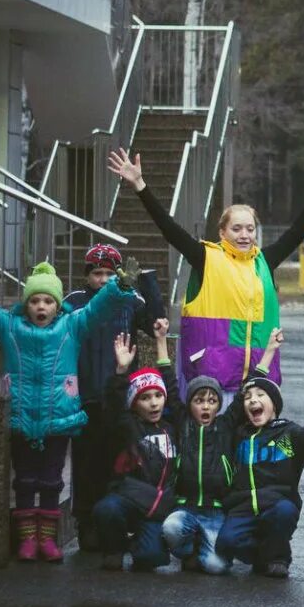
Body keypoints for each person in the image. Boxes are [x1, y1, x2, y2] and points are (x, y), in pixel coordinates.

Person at [107, 146, 304, 392]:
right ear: (222, 232)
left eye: (249, 229)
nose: (244, 235)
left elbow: (299, 229)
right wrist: (140, 186)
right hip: (212, 386)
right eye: (236, 229)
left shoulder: (264, 261)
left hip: (259, 383)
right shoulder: (206, 257)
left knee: (282, 436)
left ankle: (282, 436)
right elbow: (168, 228)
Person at [0, 251, 138, 563]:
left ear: (57, 304)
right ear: (26, 304)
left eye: (48, 301)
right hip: (21, 418)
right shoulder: (9, 326)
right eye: (35, 301)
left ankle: (48, 539)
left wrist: (119, 287)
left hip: (58, 420)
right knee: (24, 480)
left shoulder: (71, 326)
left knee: (52, 480)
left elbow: (98, 308)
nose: (41, 307)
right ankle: (27, 539)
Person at [63, 243, 166, 550]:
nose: (104, 280)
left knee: (119, 461)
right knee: (86, 463)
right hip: (86, 396)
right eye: (97, 273)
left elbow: (155, 323)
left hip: (120, 398)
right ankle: (87, 522)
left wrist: (146, 280)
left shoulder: (131, 300)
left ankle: (118, 521)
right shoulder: (75, 302)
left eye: (110, 273)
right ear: (87, 276)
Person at [215, 349, 304, 578]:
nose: (253, 400)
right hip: (242, 508)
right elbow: (234, 407)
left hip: (276, 504)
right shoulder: (239, 436)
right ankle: (263, 555)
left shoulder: (284, 436)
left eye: (260, 395)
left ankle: (278, 557)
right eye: (248, 397)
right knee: (226, 543)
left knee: (284, 512)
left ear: (274, 404)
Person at [155, 319, 237, 575]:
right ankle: (189, 549)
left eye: (212, 401)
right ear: (190, 404)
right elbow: (169, 380)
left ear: (218, 406)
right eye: (199, 400)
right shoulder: (182, 422)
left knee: (217, 567)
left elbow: (246, 392)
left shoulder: (225, 426)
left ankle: (204, 547)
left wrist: (268, 352)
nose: (205, 406)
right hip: (185, 507)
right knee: (170, 529)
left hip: (215, 512)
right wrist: (160, 340)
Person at [93, 332, 178, 572]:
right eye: (145, 398)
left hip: (156, 506)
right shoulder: (127, 426)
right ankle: (114, 548)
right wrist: (121, 372)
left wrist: (162, 345)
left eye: (158, 396)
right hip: (129, 498)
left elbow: (172, 387)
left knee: (151, 558)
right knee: (107, 509)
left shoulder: (174, 428)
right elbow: (112, 408)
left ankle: (138, 541)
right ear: (134, 403)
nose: (154, 403)